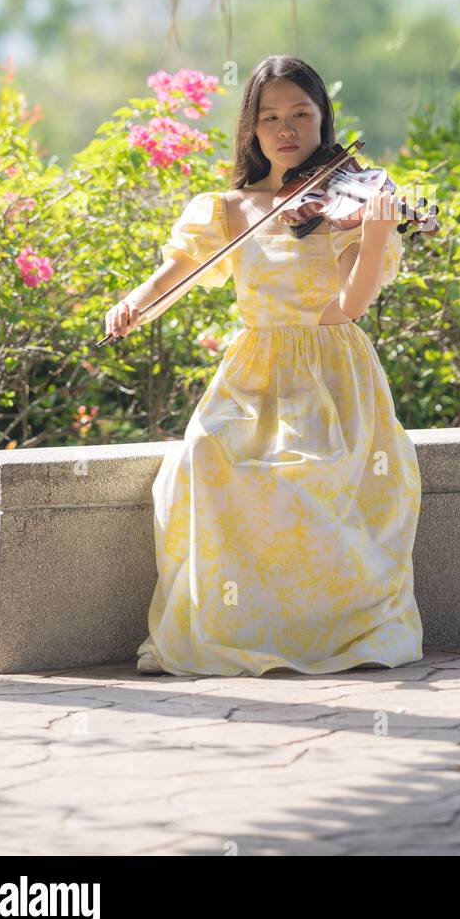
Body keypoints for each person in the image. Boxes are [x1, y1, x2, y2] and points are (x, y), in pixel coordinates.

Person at [104, 54, 423, 678]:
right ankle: (230, 626)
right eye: (270, 116)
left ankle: (321, 632)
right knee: (202, 456)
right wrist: (135, 303)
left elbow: (343, 307)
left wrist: (379, 232)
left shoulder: (346, 204)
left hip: (331, 376)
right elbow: (178, 273)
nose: (286, 129)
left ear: (323, 120)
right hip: (253, 372)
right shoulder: (224, 209)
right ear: (251, 128)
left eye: (301, 113)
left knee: (305, 475)